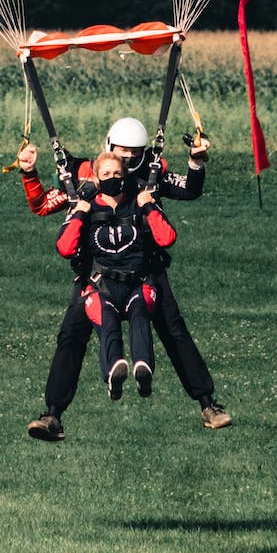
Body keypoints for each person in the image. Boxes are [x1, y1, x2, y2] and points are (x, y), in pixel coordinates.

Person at [19, 115, 232, 439]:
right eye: (123, 151)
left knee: (175, 332)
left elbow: (189, 189)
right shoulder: (82, 177)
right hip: (95, 278)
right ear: (109, 147)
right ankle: (53, 415)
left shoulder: (151, 176)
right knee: (70, 338)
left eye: (135, 151)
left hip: (145, 273)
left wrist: (195, 162)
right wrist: (29, 171)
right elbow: (41, 204)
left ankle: (208, 404)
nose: (129, 157)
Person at [57, 152, 177, 398]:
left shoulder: (138, 202)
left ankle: (143, 369)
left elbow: (167, 238)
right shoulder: (87, 206)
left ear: (126, 177)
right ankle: (114, 371)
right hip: (101, 286)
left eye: (118, 174)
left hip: (137, 284)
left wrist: (149, 206)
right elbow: (65, 248)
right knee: (107, 320)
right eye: (106, 174)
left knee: (140, 313)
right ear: (97, 179)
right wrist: (79, 213)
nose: (113, 178)